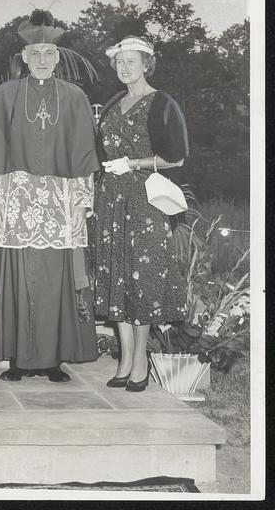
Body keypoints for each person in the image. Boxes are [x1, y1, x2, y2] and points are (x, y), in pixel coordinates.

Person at [0, 9, 100, 382]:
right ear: (24, 58)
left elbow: (84, 155)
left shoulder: (73, 97)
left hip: (58, 197)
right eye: (34, 54)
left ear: (57, 58)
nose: (41, 60)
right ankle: (19, 360)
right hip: (16, 196)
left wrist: (82, 202)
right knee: (18, 279)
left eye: (47, 54)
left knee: (54, 281)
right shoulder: (7, 94)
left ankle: (53, 360)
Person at [91, 36, 189, 392]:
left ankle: (139, 364)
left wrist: (132, 163)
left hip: (145, 199)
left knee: (141, 278)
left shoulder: (162, 103)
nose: (125, 68)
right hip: (112, 200)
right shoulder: (115, 102)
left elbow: (176, 157)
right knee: (117, 276)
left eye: (132, 62)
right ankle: (124, 359)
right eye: (120, 62)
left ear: (147, 64)